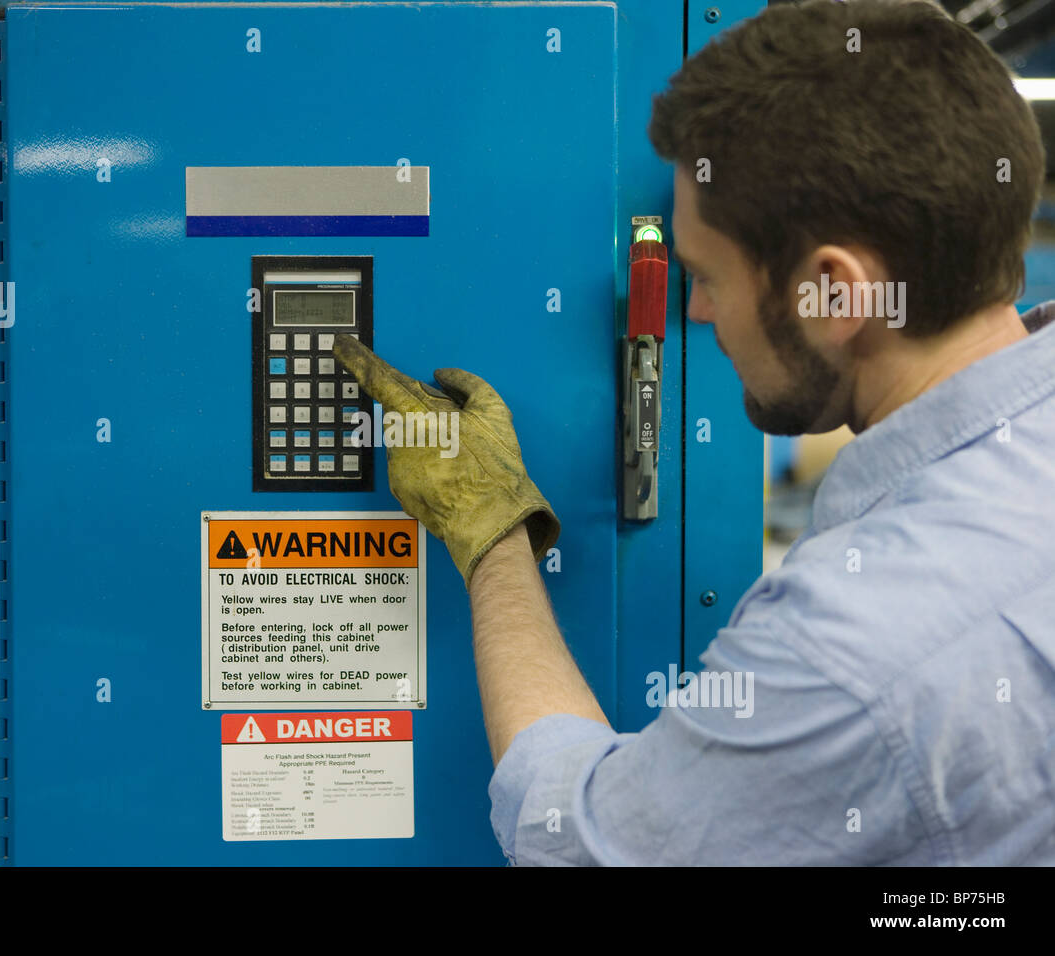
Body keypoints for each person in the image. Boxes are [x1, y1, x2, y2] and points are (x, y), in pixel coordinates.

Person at [331, 0, 1055, 865]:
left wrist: (488, 530)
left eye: (706, 276)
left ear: (838, 293)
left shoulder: (850, 650)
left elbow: (580, 843)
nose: (698, 313)